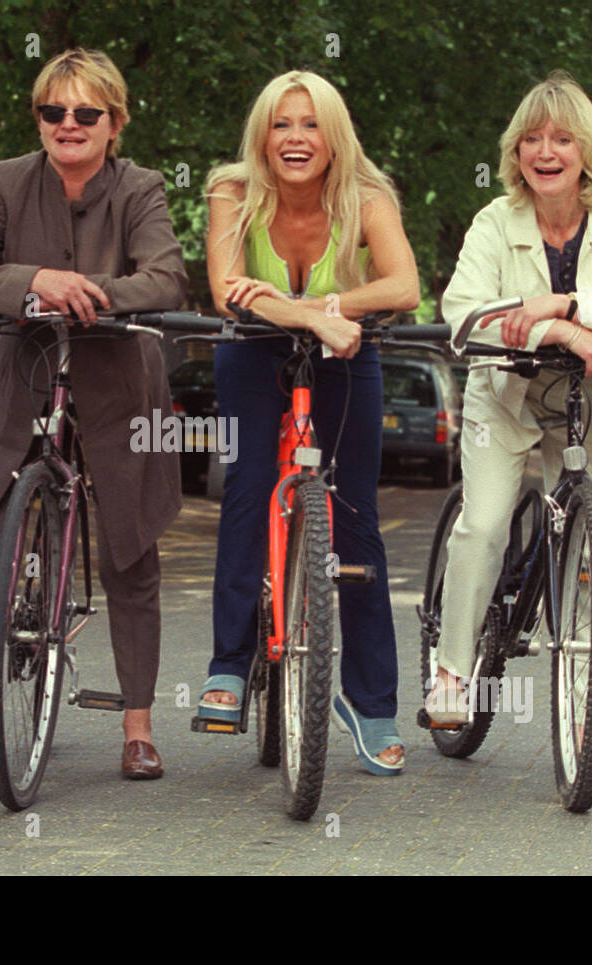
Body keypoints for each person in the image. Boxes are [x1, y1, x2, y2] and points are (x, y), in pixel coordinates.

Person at [0, 48, 187, 781]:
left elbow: (165, 277)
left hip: (117, 382)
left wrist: (89, 290)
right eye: (53, 111)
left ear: (114, 124)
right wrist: (34, 279)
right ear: (38, 119)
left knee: (132, 551)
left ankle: (137, 727)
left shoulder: (141, 188)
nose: (68, 124)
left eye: (85, 113)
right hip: (27, 374)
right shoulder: (5, 183)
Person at [426, 72, 592, 779]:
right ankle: (451, 674)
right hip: (504, 394)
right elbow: (464, 316)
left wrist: (562, 304)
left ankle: (580, 717)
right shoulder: (492, 222)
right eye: (532, 138)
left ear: (585, 150)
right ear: (516, 151)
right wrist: (565, 334)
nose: (545, 151)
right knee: (484, 522)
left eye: (561, 138)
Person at [196, 70, 420, 775]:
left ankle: (369, 701)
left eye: (311, 124)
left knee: (355, 518)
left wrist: (334, 314)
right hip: (253, 351)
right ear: (263, 134)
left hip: (346, 355)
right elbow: (227, 290)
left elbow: (404, 286)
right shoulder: (230, 192)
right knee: (250, 486)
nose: (296, 138)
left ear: (334, 135)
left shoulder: (366, 196)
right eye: (282, 124)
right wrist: (302, 314)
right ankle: (229, 667)